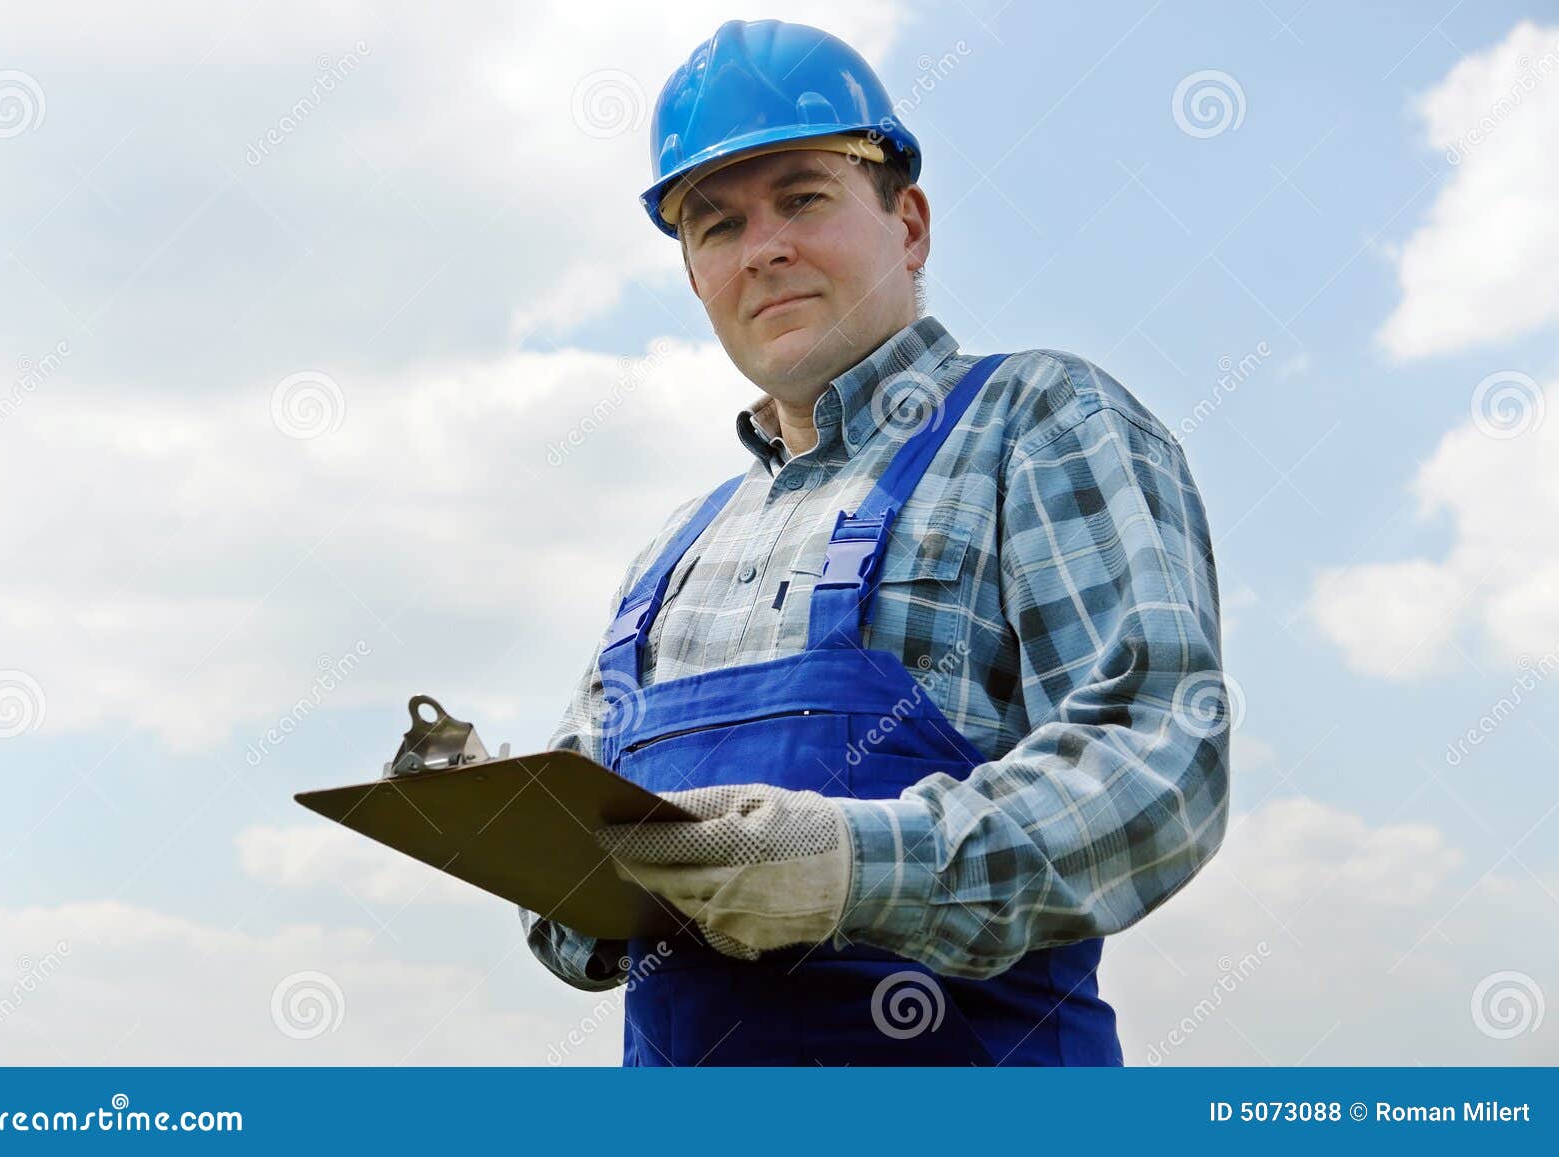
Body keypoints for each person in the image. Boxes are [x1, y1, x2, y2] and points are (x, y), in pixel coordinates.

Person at [519, 18, 1230, 1067]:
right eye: (714, 227)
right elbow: (571, 927)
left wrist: (852, 866)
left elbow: (1161, 760)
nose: (763, 248)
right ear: (694, 277)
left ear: (909, 223)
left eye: (802, 198)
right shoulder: (674, 551)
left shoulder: (1036, 421)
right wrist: (520, 842)